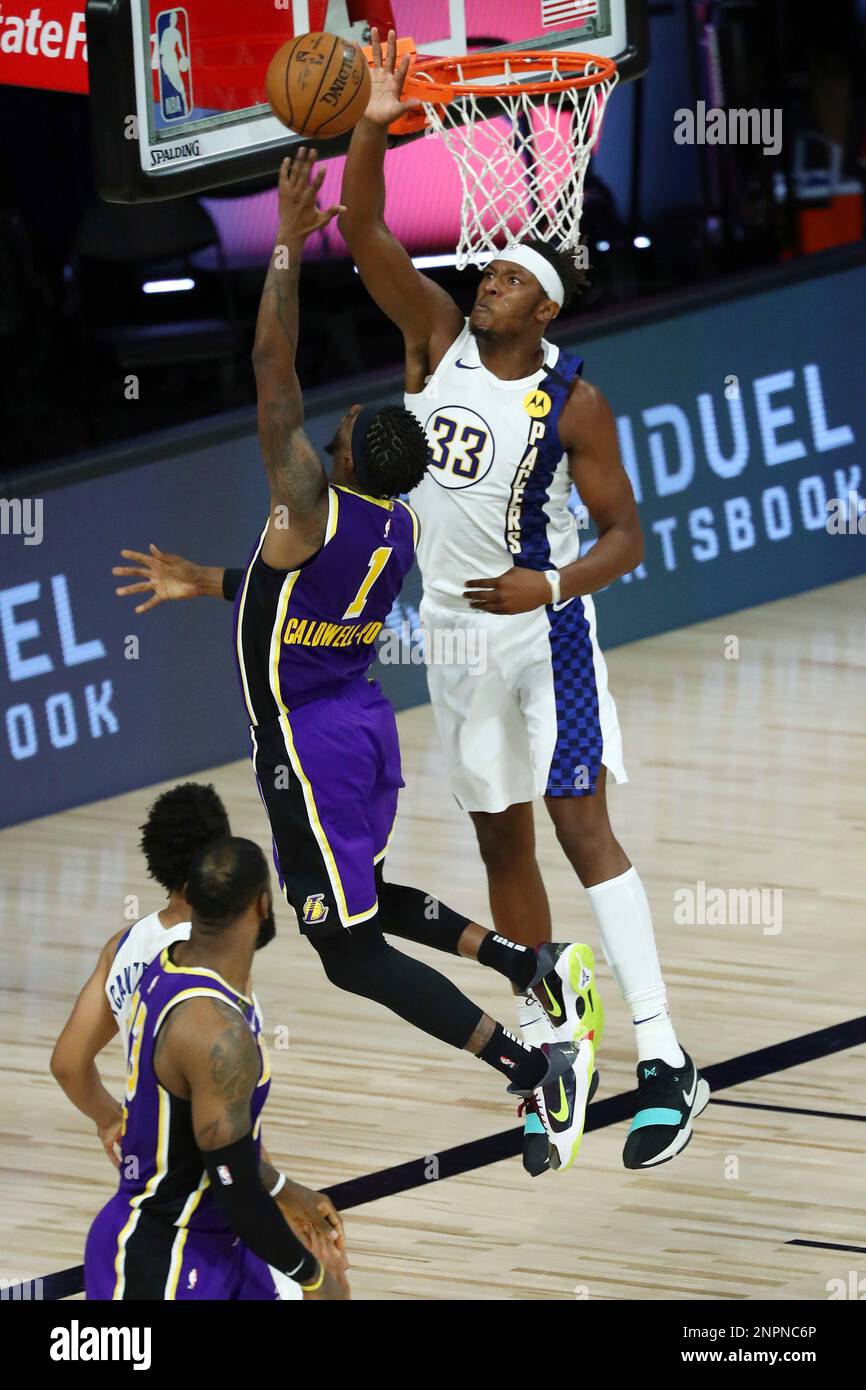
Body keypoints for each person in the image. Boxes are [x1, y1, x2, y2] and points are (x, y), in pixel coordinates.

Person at [113, 148, 604, 1175]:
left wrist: (288, 242)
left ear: (333, 459)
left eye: (335, 430)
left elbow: (270, 374)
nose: (327, 424)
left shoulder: (306, 502)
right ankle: (533, 962)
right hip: (358, 727)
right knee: (363, 898)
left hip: (307, 745)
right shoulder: (392, 523)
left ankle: (527, 1065)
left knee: (346, 951)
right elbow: (288, 603)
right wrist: (204, 582)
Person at [335, 28, 710, 1171]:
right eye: (482, 273)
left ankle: (662, 1059)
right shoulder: (434, 340)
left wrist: (548, 583)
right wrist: (372, 117)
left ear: (540, 307)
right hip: (450, 637)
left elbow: (626, 538)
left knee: (579, 827)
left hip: (540, 627)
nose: (478, 281)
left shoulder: (573, 404)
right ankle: (554, 1044)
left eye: (501, 277)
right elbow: (362, 233)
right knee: (498, 840)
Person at [51, 781, 345, 1253]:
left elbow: (68, 1063)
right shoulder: (215, 953)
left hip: (154, 1177)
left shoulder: (122, 946)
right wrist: (277, 1196)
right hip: (212, 1196)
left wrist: (111, 1120)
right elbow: (228, 1107)